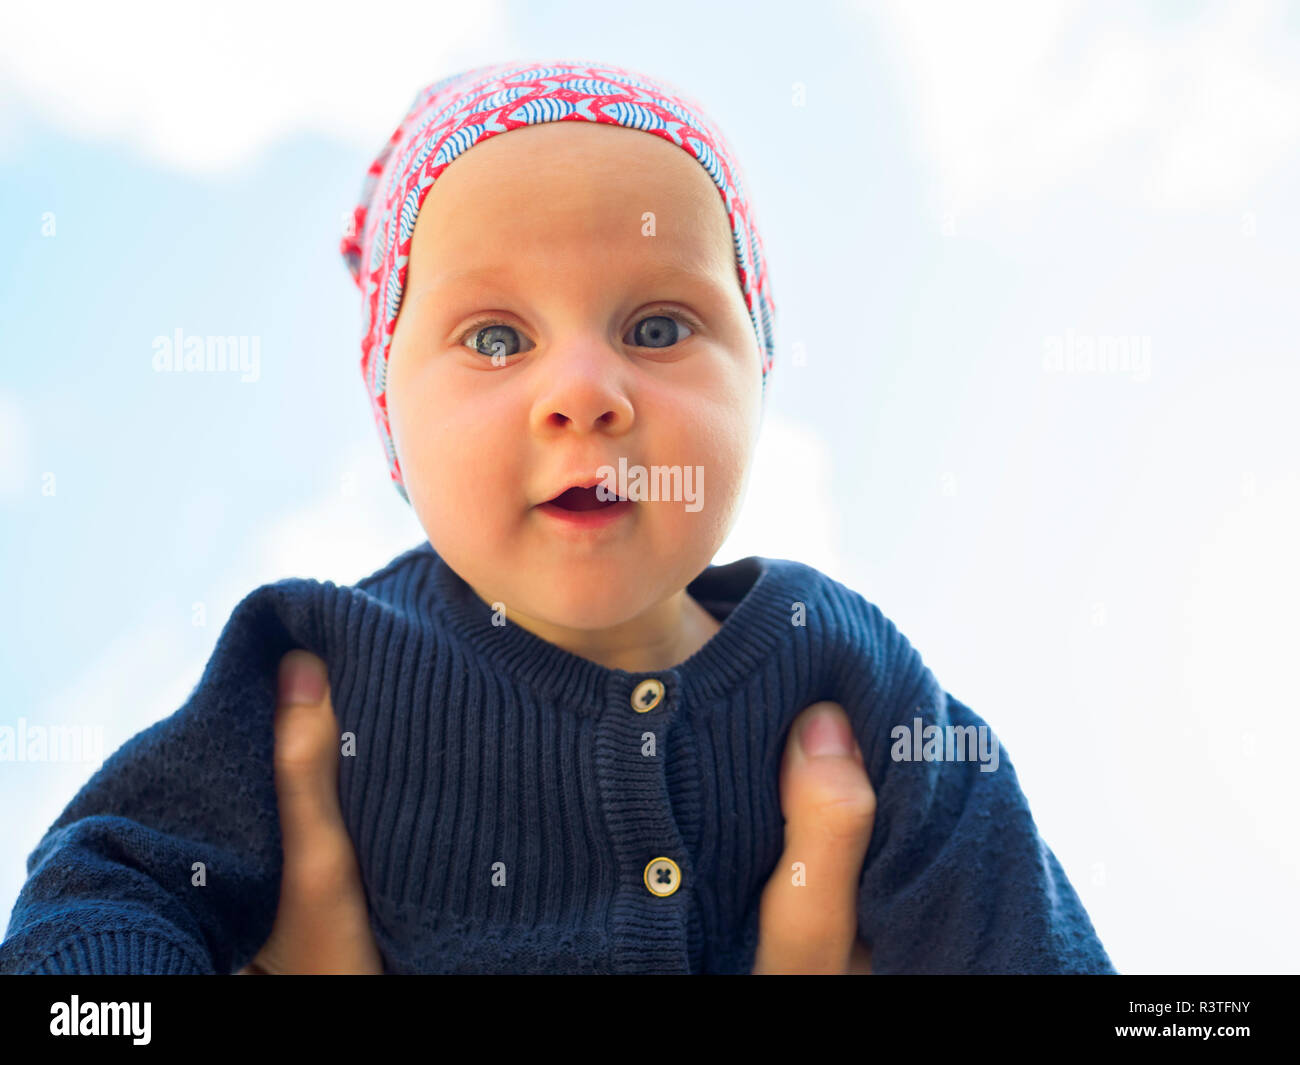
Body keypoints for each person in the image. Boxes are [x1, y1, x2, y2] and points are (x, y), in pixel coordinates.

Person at [0, 59, 1114, 974]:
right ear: (391, 415)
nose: (583, 392)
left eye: (660, 327)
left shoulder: (851, 679)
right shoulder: (320, 665)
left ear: (758, 375)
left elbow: (1022, 941)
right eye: (494, 340)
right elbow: (109, 889)